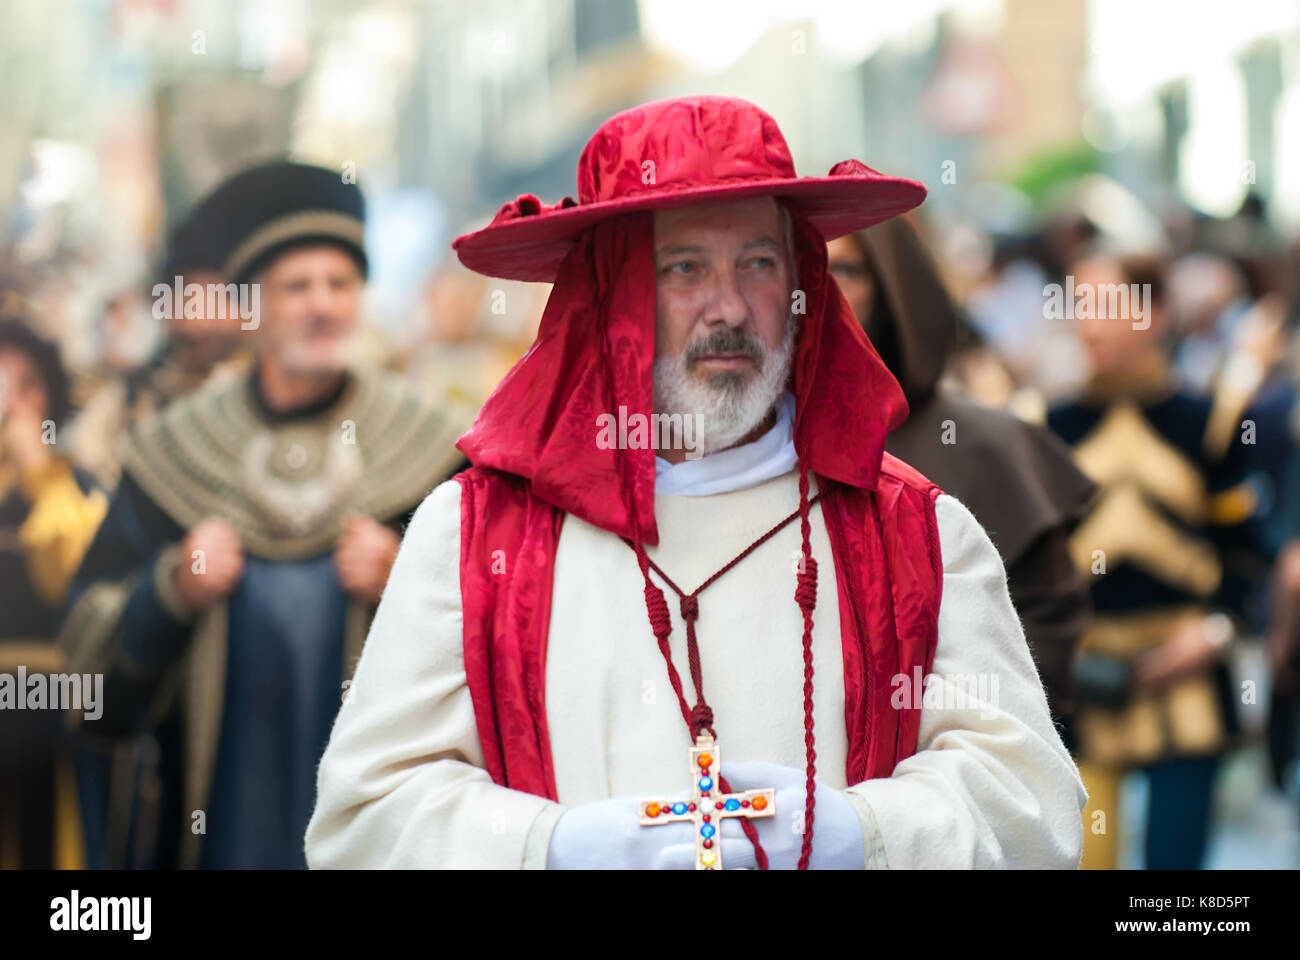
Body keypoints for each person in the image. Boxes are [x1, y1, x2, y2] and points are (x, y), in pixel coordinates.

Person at [305, 96, 1086, 870]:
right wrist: (550, 849)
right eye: (684, 268)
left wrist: (862, 835)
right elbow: (362, 819)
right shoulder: (475, 536)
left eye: (758, 262)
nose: (730, 307)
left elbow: (1035, 810)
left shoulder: (916, 532)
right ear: (612, 298)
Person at [60, 160, 470, 869]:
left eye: (340, 284)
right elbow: (86, 686)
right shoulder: (171, 454)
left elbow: (511, 646)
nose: (322, 305)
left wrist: (411, 583)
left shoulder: (432, 449)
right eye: (296, 286)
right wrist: (168, 590)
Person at [826, 218, 1095, 733]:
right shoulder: (766, 447)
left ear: (891, 290)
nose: (821, 290)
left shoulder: (988, 445)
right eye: (809, 268)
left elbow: (1044, 635)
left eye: (846, 270)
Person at [1046, 251, 1259, 870]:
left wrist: (1215, 632)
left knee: (1176, 885)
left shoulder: (1211, 422)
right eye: (1081, 307)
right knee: (1084, 857)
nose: (1092, 326)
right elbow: (1030, 571)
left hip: (1190, 678)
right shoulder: (1046, 427)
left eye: (1109, 307)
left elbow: (1244, 554)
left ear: (1156, 313)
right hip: (1085, 684)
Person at [0, 313, 107, 868]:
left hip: (51, 717)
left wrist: (38, 473)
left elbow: (77, 579)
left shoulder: (73, 486)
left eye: (27, 384)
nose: (11, 404)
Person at [70, 211, 250, 491]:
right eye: (188, 298)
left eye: (218, 300)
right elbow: (90, 470)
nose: (199, 321)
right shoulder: (128, 399)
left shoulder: (265, 395)